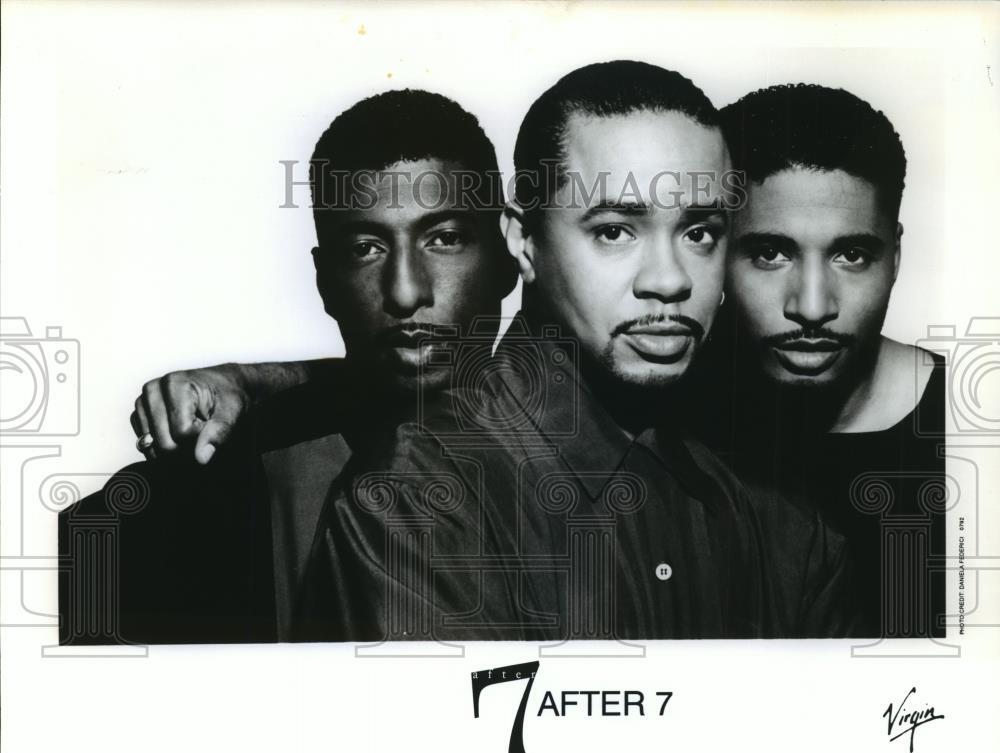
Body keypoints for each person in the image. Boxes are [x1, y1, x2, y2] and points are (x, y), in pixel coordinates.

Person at [292, 61, 859, 642]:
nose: (667, 280)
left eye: (699, 233)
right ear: (523, 240)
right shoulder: (412, 504)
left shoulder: (790, 531)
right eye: (614, 230)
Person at [59, 89, 516, 643]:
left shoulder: (609, 460)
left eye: (444, 239)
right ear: (325, 282)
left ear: (508, 258)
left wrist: (254, 378)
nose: (405, 290)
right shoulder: (201, 504)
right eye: (365, 248)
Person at [694, 84, 946, 637]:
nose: (811, 305)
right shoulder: (659, 427)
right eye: (769, 253)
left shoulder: (975, 433)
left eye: (851, 255)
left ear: (896, 256)